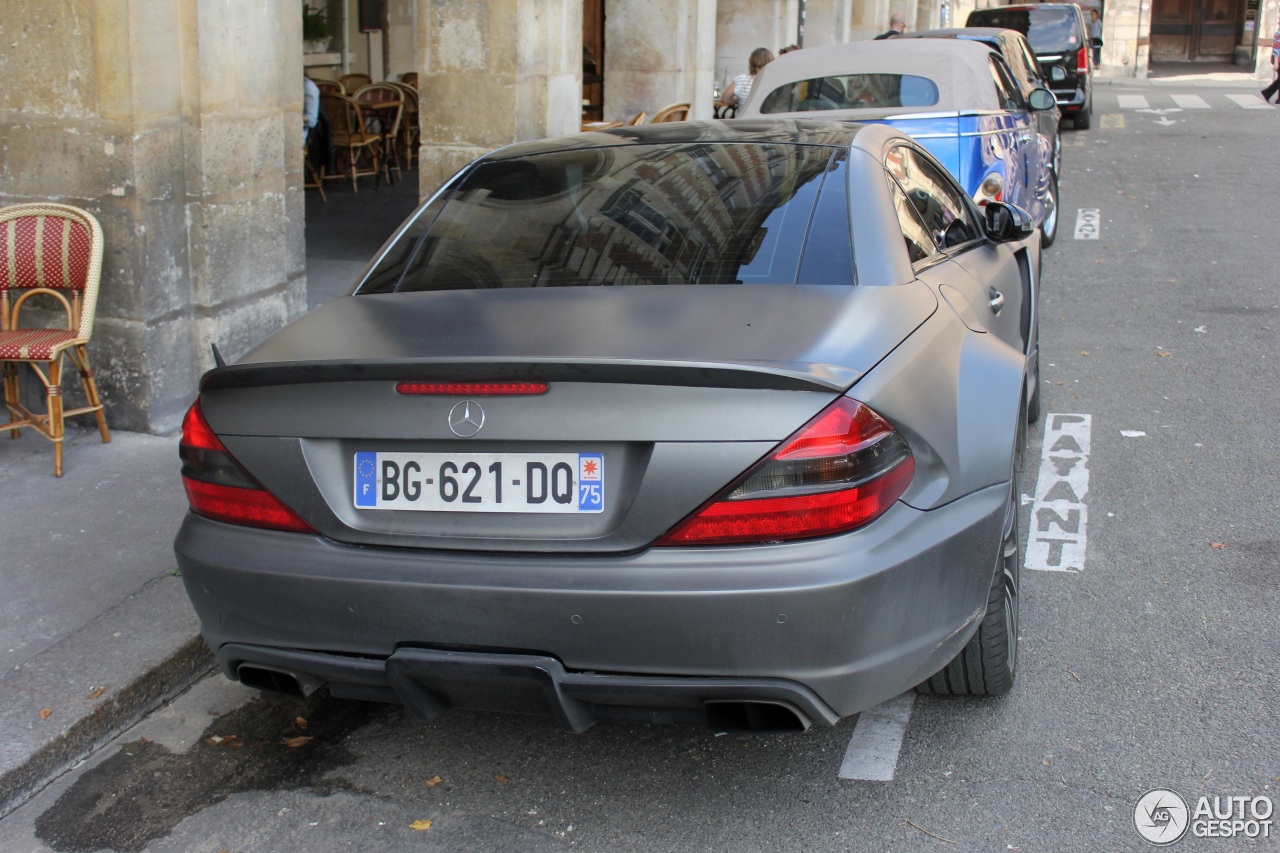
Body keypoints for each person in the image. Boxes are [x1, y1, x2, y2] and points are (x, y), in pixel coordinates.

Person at [1263, 20, 1280, 104]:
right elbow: (1277, 49)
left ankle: (1267, 93)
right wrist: (1276, 62)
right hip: (1277, 59)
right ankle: (1267, 93)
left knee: (1279, 80)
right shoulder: (1278, 34)